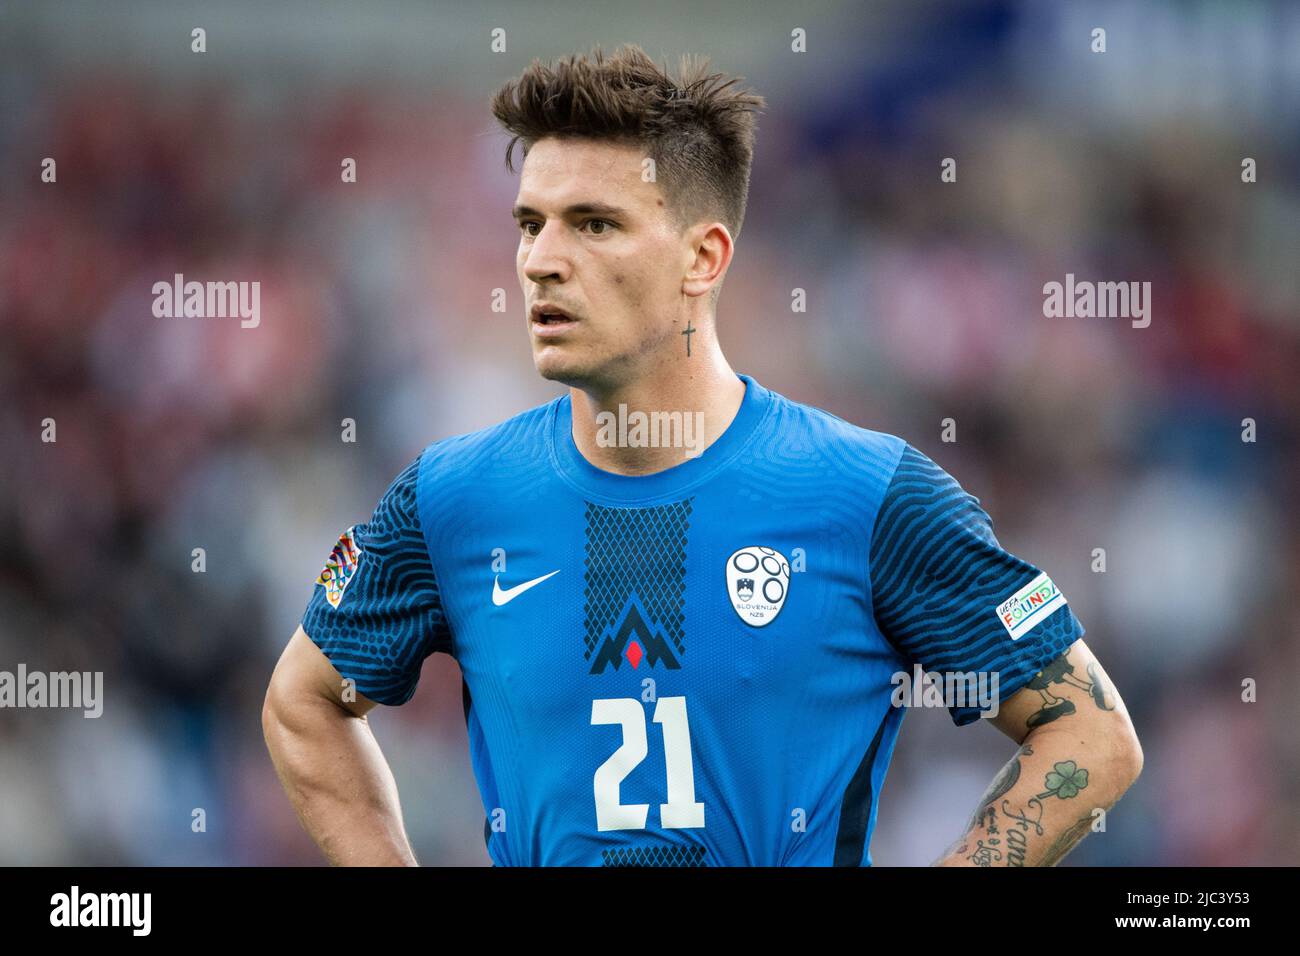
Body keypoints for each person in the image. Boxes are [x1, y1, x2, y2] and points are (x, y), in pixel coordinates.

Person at [263, 44, 1142, 867]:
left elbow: (1090, 734)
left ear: (703, 257)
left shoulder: (870, 496)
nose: (541, 261)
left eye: (594, 225)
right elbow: (304, 705)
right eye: (531, 224)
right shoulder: (451, 499)